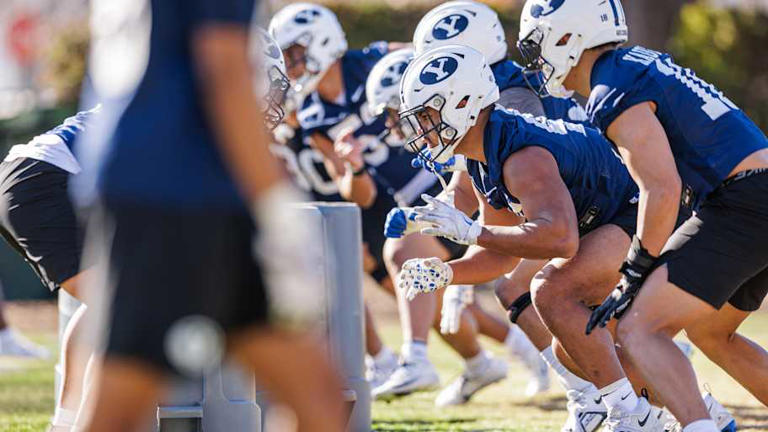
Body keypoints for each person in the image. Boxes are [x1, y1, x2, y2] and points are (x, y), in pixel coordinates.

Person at [396, 45, 725, 432]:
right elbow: (502, 257)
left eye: (427, 114)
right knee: (573, 349)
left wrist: (472, 231)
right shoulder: (481, 157)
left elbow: (561, 240)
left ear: (463, 103)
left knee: (552, 291)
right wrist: (446, 273)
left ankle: (630, 414)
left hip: (642, 210)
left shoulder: (521, 156)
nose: (421, 129)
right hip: (611, 218)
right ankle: (701, 411)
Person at [74, 2, 345, 430]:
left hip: (178, 181)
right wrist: (276, 207)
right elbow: (224, 68)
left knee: (319, 395)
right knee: (118, 409)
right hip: (180, 188)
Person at [517, 0, 768, 430]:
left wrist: (634, 271)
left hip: (742, 201)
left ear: (567, 37)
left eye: (539, 44)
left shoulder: (611, 90)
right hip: (752, 195)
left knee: (639, 330)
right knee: (711, 333)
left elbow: (662, 189)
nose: (538, 60)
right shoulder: (633, 65)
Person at [369, 48, 510, 406]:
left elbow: (545, 236)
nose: (395, 126)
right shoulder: (461, 144)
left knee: (535, 290)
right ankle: (488, 365)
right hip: (481, 222)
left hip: (584, 214)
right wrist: (419, 221)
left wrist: (471, 234)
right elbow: (461, 193)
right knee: (519, 294)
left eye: (421, 114)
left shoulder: (497, 131)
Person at [0, 109, 96, 431]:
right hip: (41, 181)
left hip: (30, 175)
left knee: (109, 306)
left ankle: (65, 424)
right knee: (121, 310)